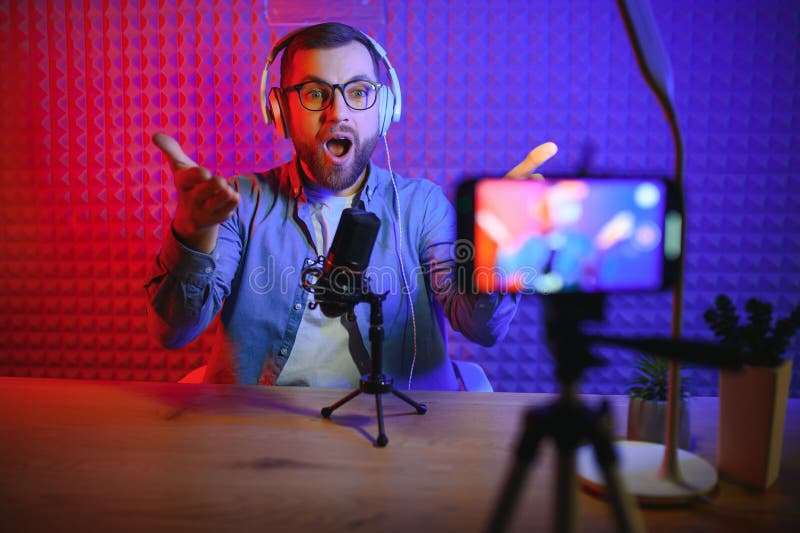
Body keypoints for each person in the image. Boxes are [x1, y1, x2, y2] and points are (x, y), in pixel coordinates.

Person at [145, 22, 556, 390]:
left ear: (385, 108)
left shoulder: (422, 207)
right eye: (314, 93)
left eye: (358, 92)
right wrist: (193, 230)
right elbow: (173, 332)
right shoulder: (238, 204)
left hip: (398, 429)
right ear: (280, 111)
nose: (337, 112)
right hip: (266, 431)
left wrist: (495, 244)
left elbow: (481, 327)